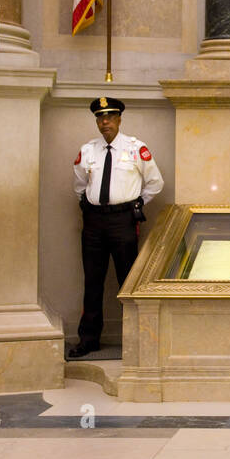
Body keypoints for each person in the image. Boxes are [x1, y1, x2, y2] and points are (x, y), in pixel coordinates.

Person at [68, 96, 164, 358]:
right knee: (92, 282)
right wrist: (90, 206)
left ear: (120, 119)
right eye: (100, 117)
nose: (105, 121)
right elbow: (79, 186)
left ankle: (135, 340)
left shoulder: (135, 148)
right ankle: (88, 339)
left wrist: (138, 204)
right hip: (94, 222)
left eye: (110, 116)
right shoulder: (87, 151)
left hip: (123, 221)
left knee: (128, 281)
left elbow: (155, 182)